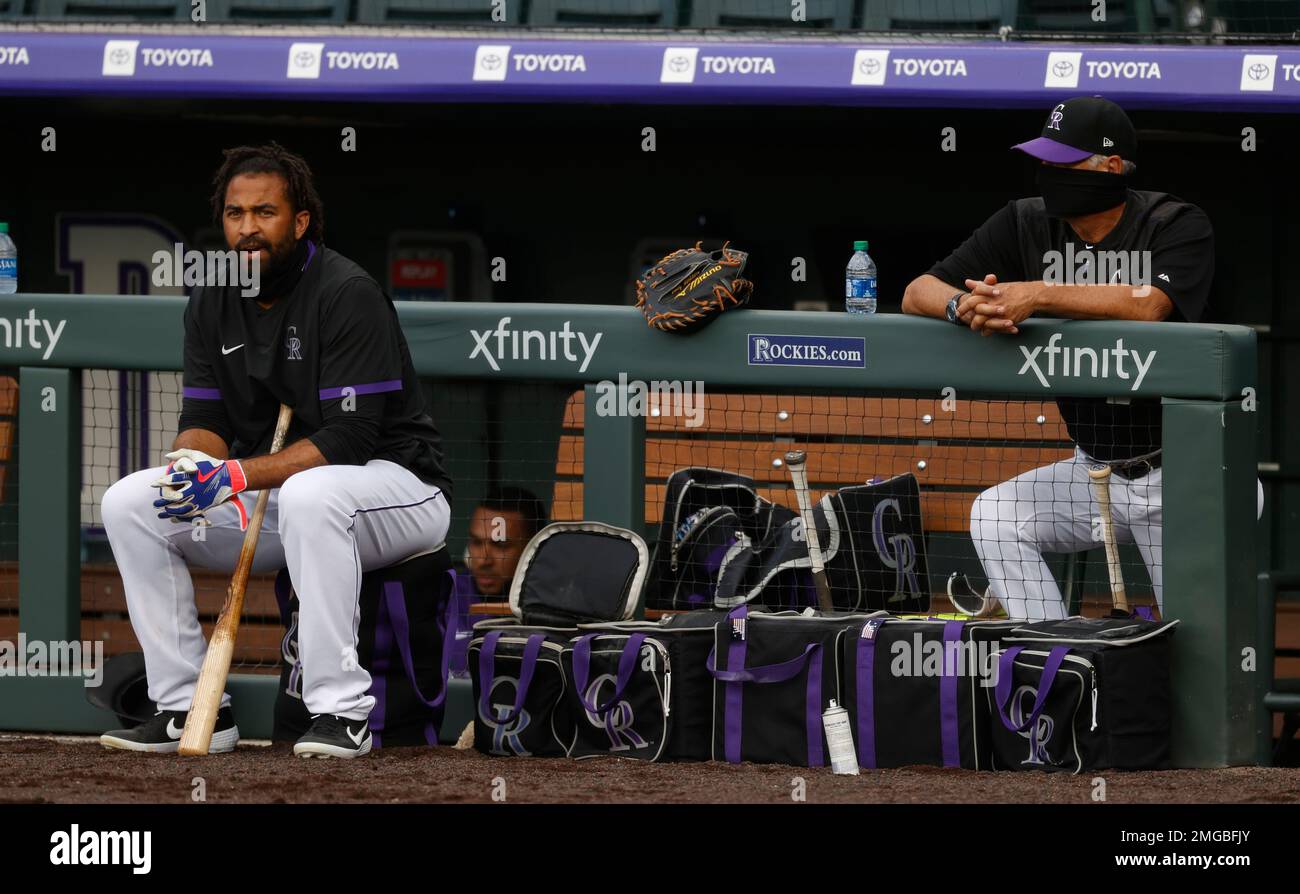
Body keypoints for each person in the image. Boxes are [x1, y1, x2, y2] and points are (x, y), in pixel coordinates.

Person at [99, 143, 453, 758]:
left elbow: (350, 438)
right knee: (131, 502)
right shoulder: (212, 297)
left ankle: (341, 711)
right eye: (235, 214)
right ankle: (186, 706)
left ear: (300, 220)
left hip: (397, 490)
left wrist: (232, 474)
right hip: (279, 492)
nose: (247, 229)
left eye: (264, 212)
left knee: (313, 493)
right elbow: (204, 418)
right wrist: (193, 464)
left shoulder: (347, 291)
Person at [903, 95, 1225, 620]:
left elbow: (1151, 305)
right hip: (1092, 471)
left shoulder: (1175, 222)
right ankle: (1058, 664)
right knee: (996, 514)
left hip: (1184, 477)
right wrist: (966, 306)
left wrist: (1037, 294)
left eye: (1062, 162)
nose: (1047, 173)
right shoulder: (1024, 222)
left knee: (1191, 641)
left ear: (1112, 168)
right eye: (1044, 161)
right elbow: (918, 289)